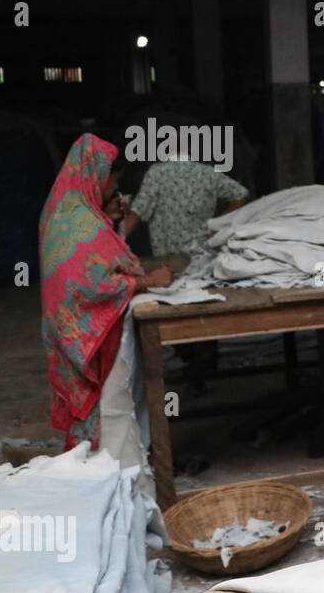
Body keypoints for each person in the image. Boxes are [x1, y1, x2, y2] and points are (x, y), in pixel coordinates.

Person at [40, 134, 174, 450]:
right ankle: (113, 469)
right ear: (95, 175)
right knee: (110, 409)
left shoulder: (68, 208)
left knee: (111, 411)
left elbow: (99, 256)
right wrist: (145, 281)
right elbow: (86, 284)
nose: (115, 188)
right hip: (88, 335)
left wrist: (112, 220)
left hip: (73, 331)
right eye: (112, 180)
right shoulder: (78, 220)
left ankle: (115, 464)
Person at [121, 152, 250, 256]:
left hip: (168, 259)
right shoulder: (208, 173)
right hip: (204, 254)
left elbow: (137, 212)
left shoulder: (157, 172)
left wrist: (112, 243)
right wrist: (219, 223)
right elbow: (242, 194)